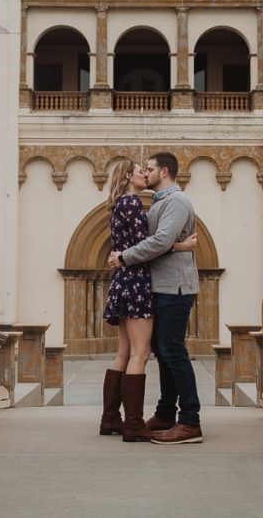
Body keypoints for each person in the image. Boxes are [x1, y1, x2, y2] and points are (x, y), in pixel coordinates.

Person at [99, 159, 197, 442]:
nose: (145, 173)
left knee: (127, 353)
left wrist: (122, 256)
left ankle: (111, 419)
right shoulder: (133, 204)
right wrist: (183, 245)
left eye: (148, 169)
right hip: (137, 283)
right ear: (130, 176)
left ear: (163, 172)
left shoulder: (126, 203)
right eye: (141, 170)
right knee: (140, 354)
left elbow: (149, 243)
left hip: (127, 282)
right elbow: (156, 244)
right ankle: (132, 424)